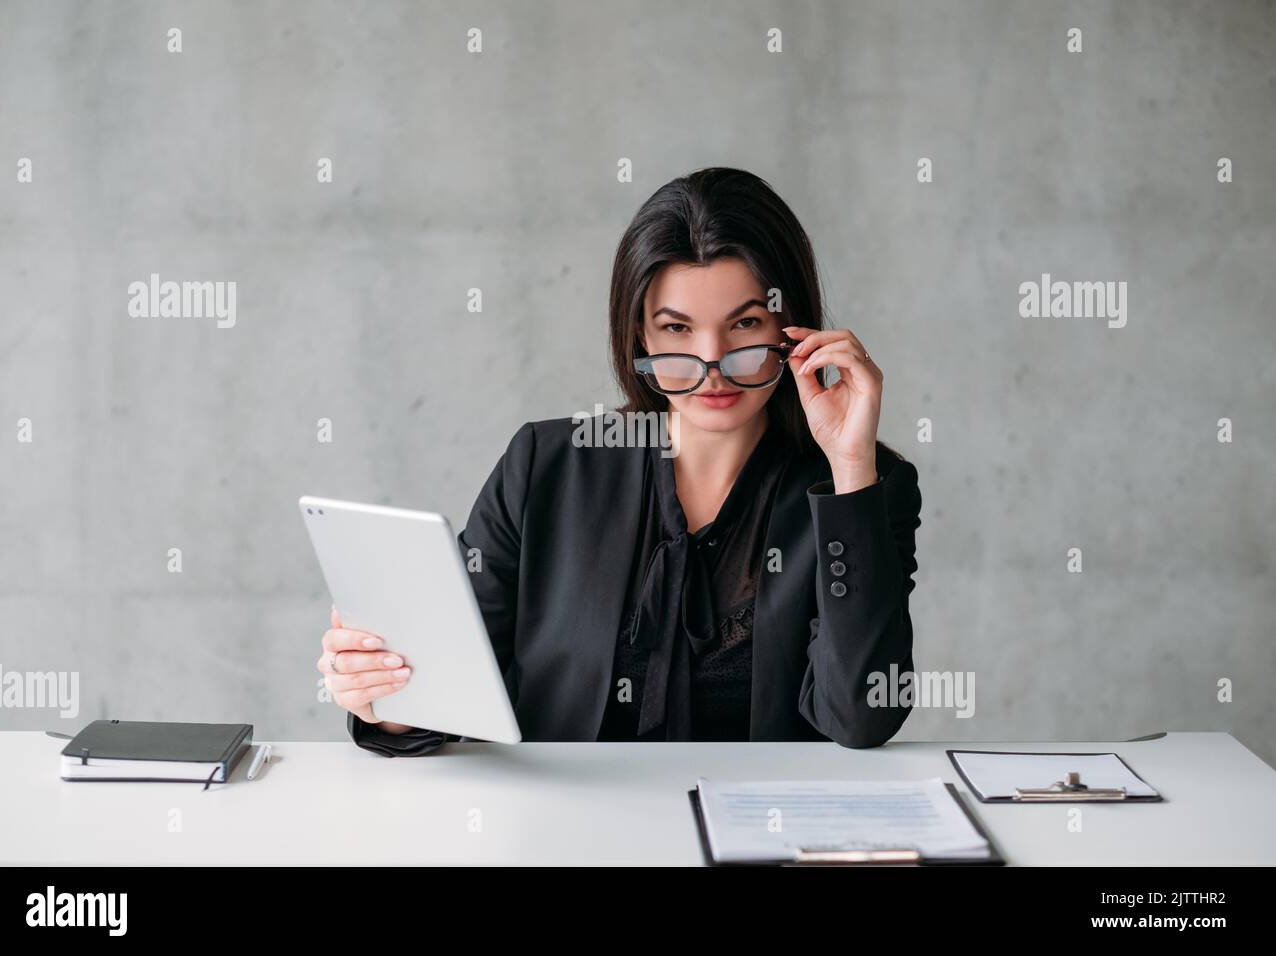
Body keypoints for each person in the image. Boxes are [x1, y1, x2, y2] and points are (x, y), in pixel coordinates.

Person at [317, 166, 922, 756]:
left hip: (759, 831)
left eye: (745, 324)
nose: (711, 363)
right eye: (678, 329)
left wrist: (849, 468)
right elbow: (455, 693)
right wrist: (385, 701)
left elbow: (860, 716)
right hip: (567, 835)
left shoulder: (868, 488)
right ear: (640, 335)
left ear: (793, 327)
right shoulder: (545, 466)